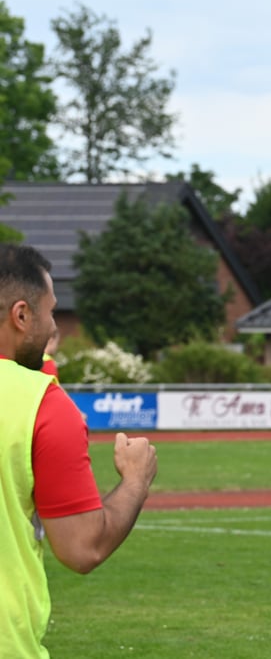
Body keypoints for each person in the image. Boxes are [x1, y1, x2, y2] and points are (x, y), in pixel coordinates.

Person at [0, 243, 158, 657]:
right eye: (51, 313)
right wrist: (136, 480)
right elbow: (82, 548)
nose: (54, 327)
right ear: (21, 316)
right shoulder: (43, 403)